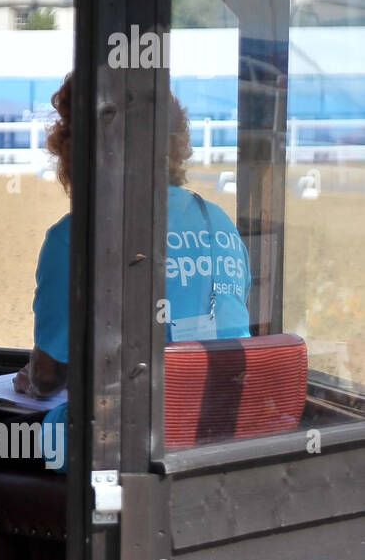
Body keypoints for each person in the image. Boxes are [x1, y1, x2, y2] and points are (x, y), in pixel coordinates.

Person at [15, 75, 253, 468]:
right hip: (222, 433)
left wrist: (34, 379)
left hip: (120, 444)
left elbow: (48, 377)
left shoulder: (72, 237)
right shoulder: (219, 223)